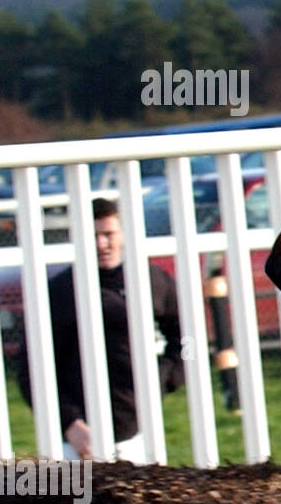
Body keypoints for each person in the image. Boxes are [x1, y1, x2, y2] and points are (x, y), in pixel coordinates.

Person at [18, 197, 184, 461]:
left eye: (108, 234)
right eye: (93, 235)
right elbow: (31, 367)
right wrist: (69, 423)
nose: (101, 244)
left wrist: (166, 377)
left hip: (138, 434)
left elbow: (187, 335)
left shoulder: (151, 279)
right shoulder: (59, 292)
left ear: (123, 233)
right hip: (77, 441)